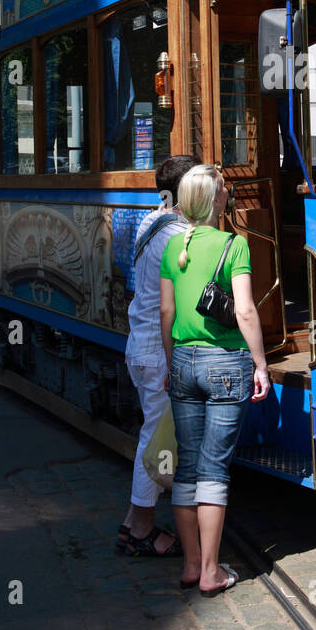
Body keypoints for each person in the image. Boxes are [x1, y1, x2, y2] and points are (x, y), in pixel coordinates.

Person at [160, 164, 271, 596]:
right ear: (215, 200)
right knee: (213, 470)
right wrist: (261, 364)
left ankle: (191, 566)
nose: (228, 193)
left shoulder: (173, 248)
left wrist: (172, 362)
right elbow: (244, 311)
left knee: (187, 466)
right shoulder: (234, 245)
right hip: (226, 364)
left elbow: (166, 313)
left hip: (184, 361)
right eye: (224, 188)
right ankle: (211, 571)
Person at [116, 153, 198, 558]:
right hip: (157, 353)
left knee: (153, 435)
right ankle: (142, 528)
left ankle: (134, 522)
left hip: (140, 344)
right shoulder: (177, 235)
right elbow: (180, 301)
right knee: (157, 443)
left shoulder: (153, 220)